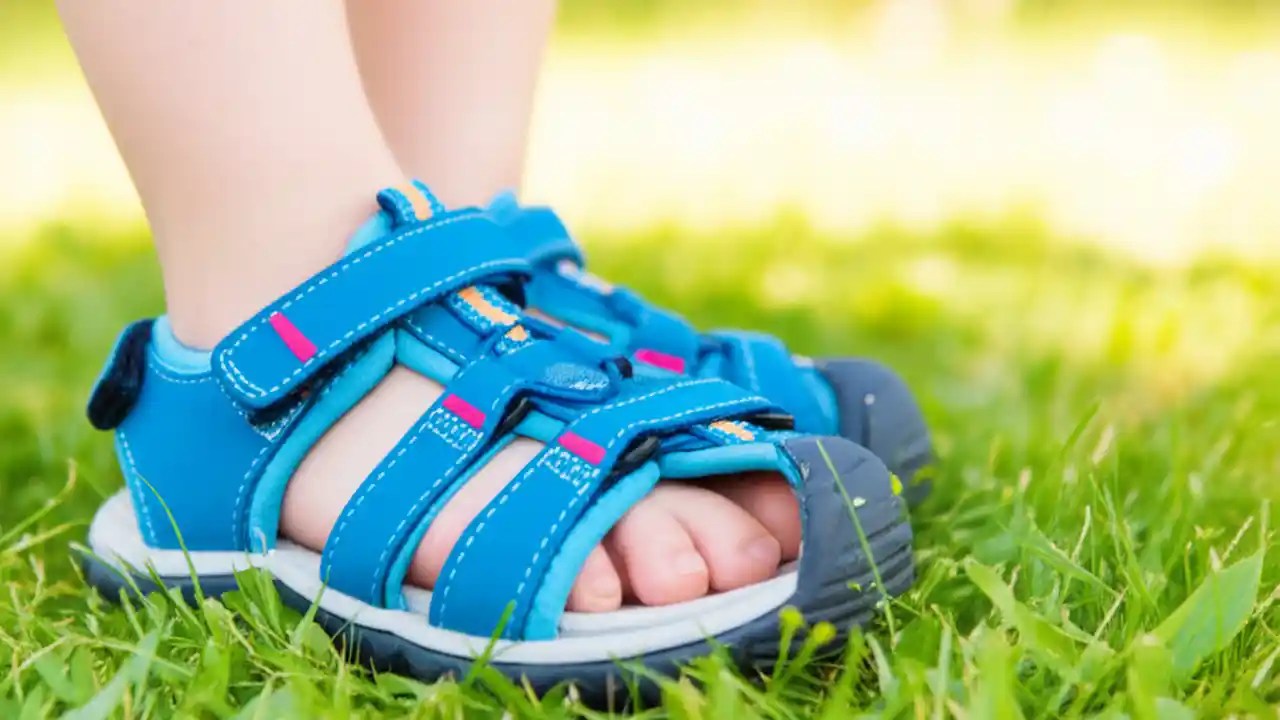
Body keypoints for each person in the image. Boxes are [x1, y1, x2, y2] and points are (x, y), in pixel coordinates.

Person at [64, 1, 925, 688]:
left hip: (439, 282)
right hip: (264, 366)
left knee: (440, 181)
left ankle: (444, 260)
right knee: (297, 237)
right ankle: (277, 294)